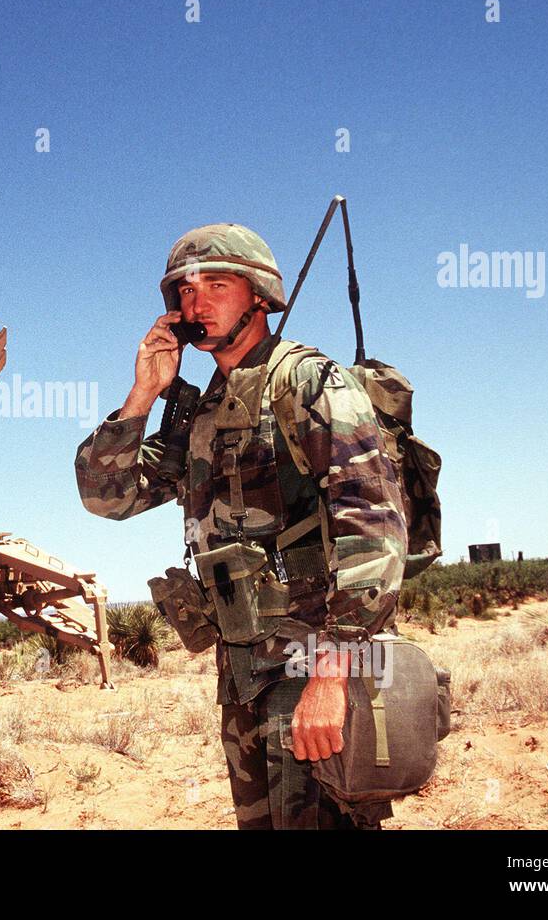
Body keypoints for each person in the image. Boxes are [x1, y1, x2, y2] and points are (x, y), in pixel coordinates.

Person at [75, 223, 408, 829]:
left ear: (259, 295)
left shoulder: (307, 382)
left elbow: (376, 528)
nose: (194, 305)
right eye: (183, 293)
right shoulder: (203, 411)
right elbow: (106, 496)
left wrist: (332, 675)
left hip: (310, 665)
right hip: (243, 676)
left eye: (215, 286)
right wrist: (143, 395)